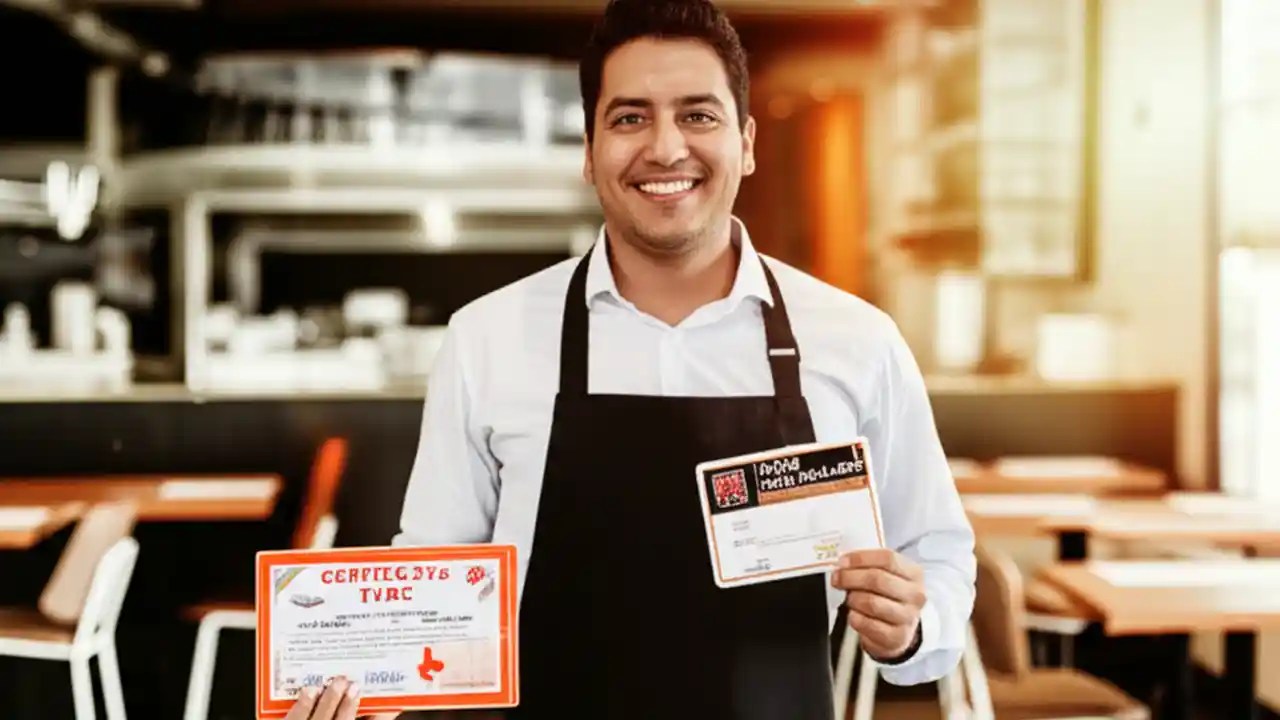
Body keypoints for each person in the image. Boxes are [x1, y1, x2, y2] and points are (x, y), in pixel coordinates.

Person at [290, 0, 975, 718]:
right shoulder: (485, 339)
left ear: (745, 142)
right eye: (629, 118)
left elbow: (940, 557)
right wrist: (363, 695)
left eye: (698, 115)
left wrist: (909, 626)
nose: (666, 148)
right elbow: (430, 583)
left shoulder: (858, 342)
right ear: (588, 150)